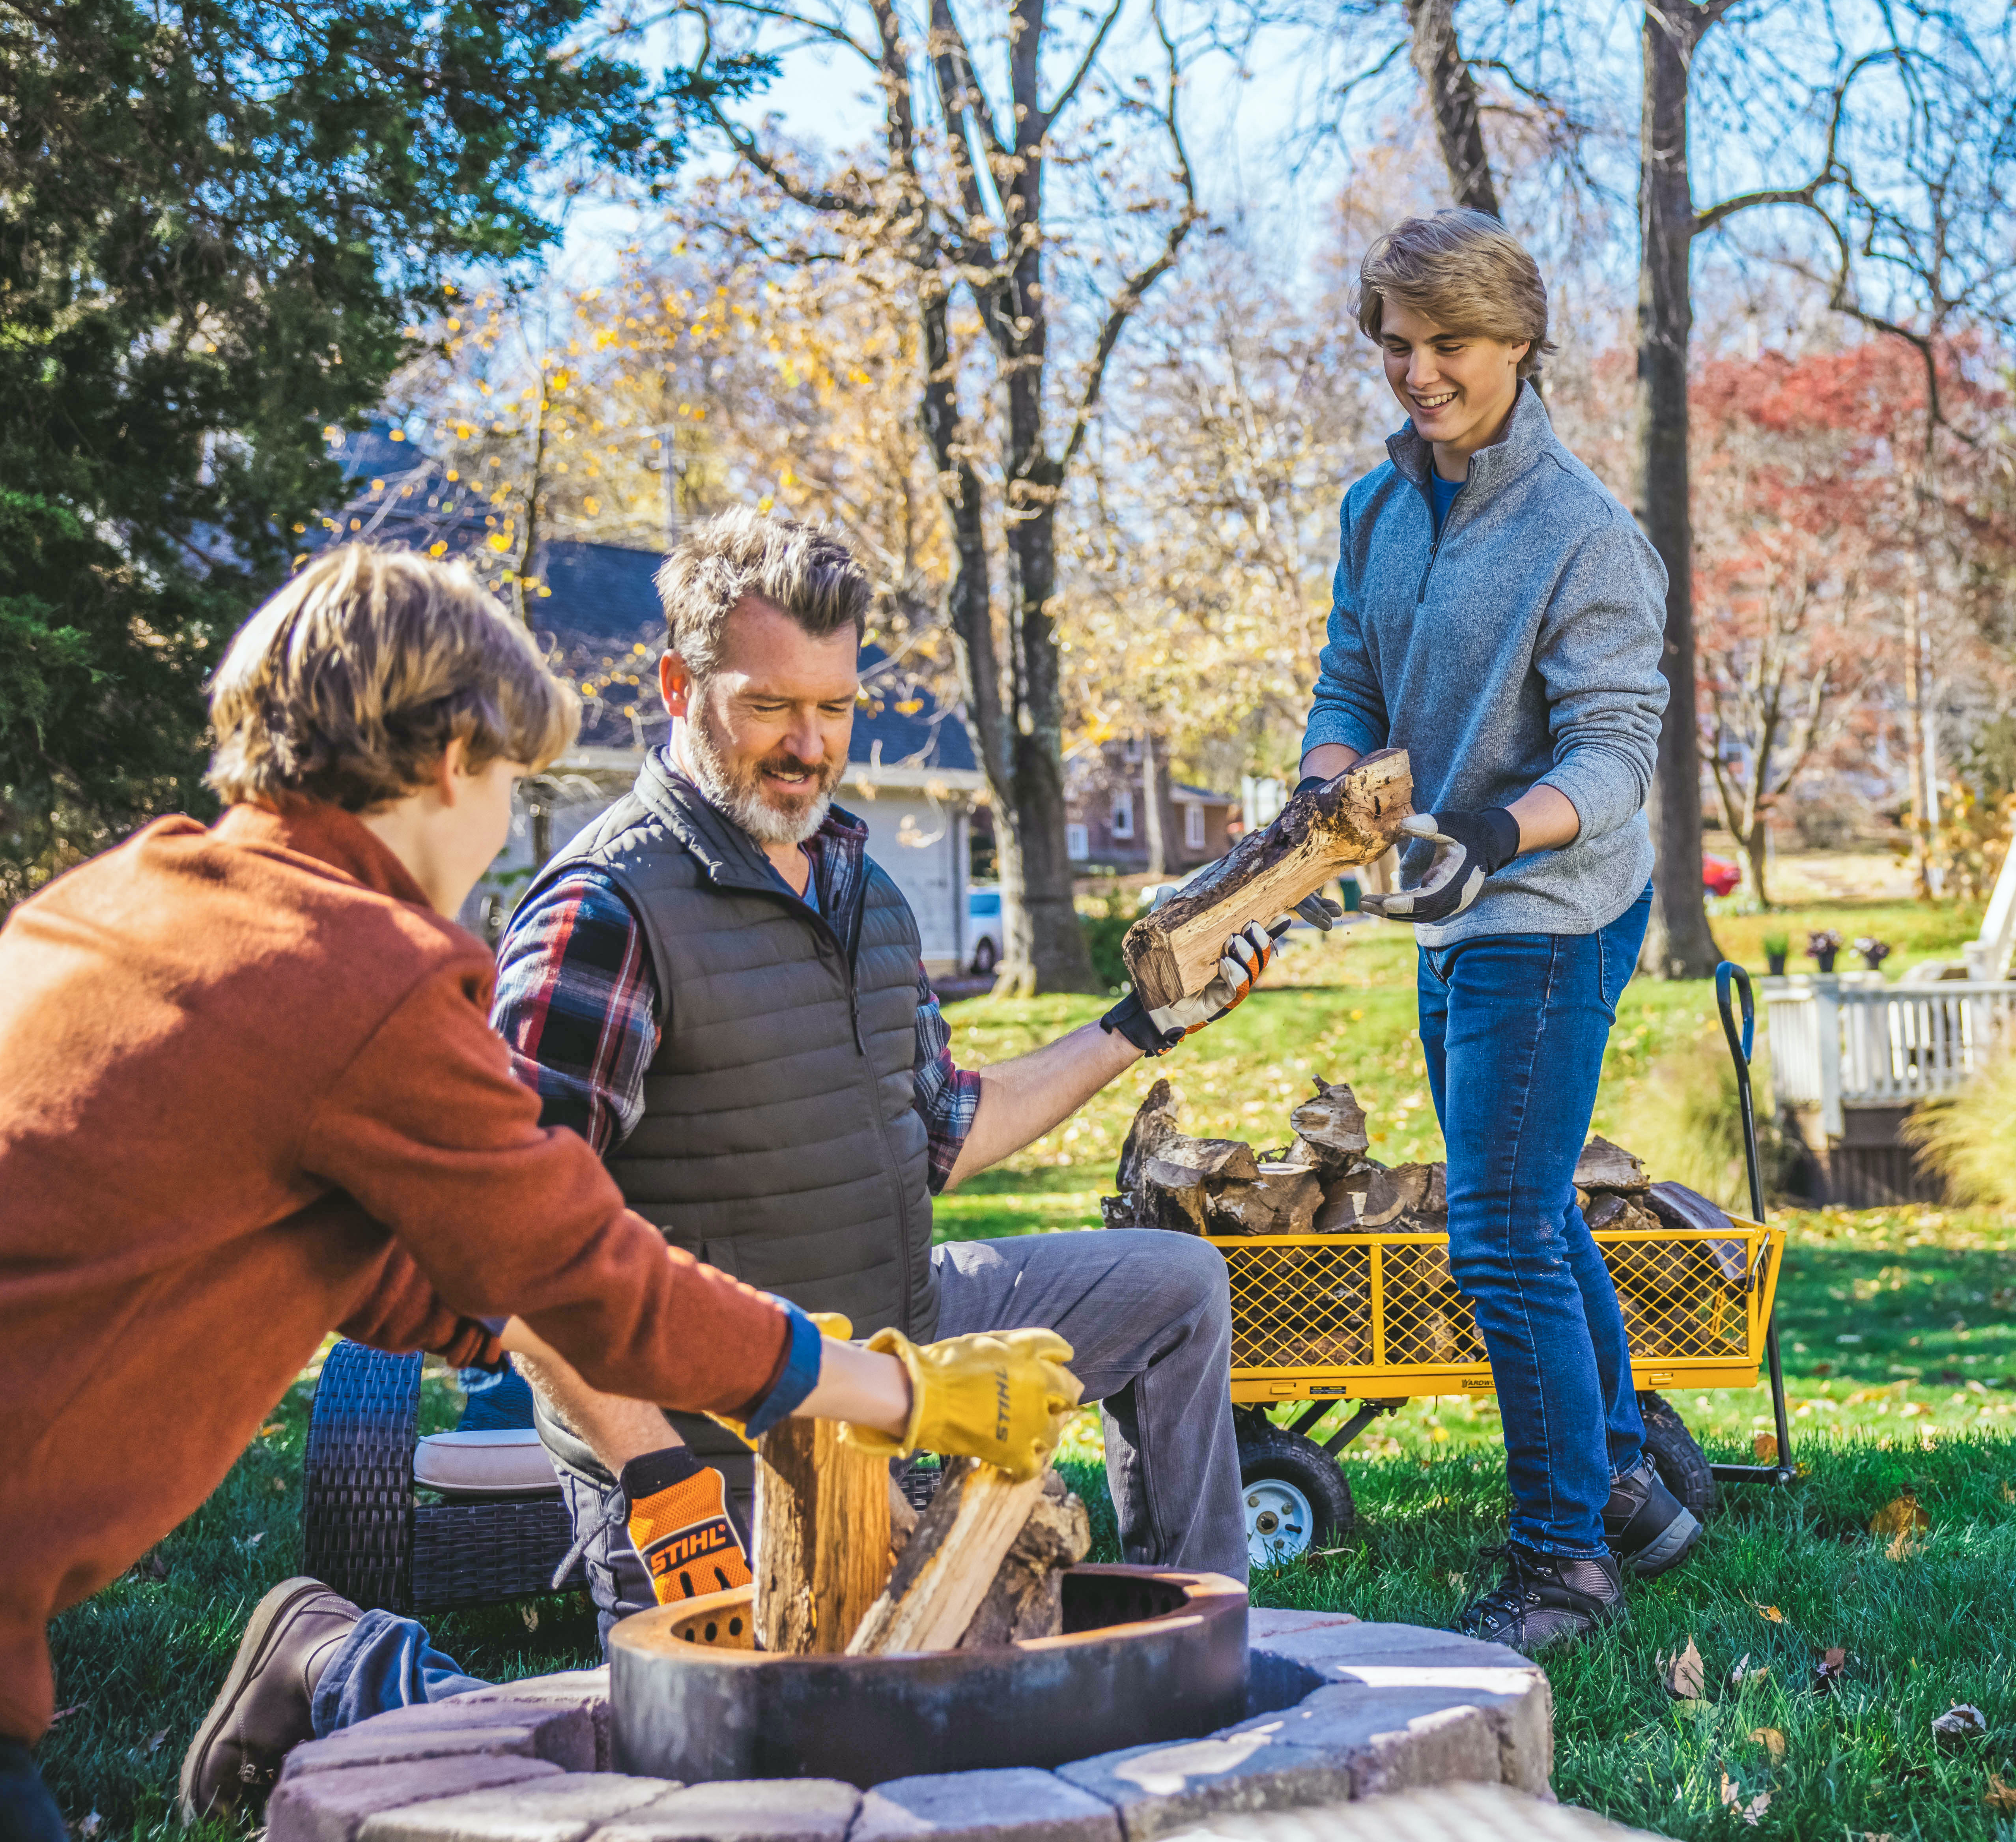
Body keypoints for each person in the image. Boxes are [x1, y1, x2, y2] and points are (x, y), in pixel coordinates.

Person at [179, 506, 1280, 1808]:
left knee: (1170, 1288)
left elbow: (949, 1131)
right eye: (769, 706)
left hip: (899, 1337)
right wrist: (657, 1480)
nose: (810, 746)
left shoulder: (862, 890)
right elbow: (516, 1258)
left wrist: (1138, 1026)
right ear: (678, 689)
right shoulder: (604, 911)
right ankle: (353, 1663)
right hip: (709, 1423)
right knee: (755, 1776)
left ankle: (1196, 1654)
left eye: (835, 706)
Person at [0, 547, 1076, 1842]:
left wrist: (515, 1315)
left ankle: (338, 1668)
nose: (506, 828)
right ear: (453, 762)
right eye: (514, 785)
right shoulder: (363, 973)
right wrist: (907, 1394)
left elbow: (416, 1268)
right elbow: (585, 1273)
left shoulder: (127, 896)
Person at [1297, 209, 1684, 1651]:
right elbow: (1350, 681)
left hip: (1553, 899)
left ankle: (1562, 1562)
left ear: (1518, 344)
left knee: (1500, 1234)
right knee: (1525, 1204)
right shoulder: (1378, 511)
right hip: (1443, 904)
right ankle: (1629, 1489)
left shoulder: (1587, 535)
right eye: (1397, 345)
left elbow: (1613, 753)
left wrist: (1490, 838)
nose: (1417, 371)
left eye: (1447, 344)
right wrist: (1321, 792)